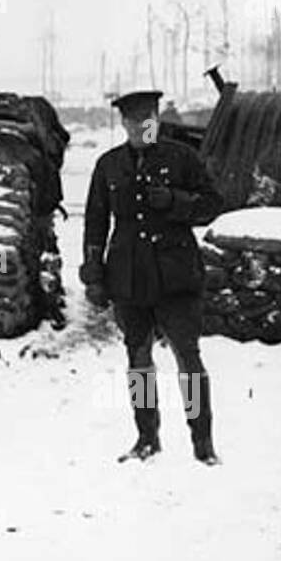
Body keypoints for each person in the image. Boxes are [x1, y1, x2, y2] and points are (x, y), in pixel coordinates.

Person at [80, 90, 224, 463]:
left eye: (147, 121)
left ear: (156, 121)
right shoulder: (108, 165)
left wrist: (177, 202)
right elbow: (96, 221)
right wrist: (94, 270)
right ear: (123, 124)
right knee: (138, 359)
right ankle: (147, 438)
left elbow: (212, 205)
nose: (140, 128)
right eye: (132, 122)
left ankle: (203, 443)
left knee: (188, 360)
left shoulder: (183, 158)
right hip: (128, 277)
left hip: (176, 277)